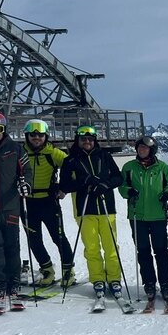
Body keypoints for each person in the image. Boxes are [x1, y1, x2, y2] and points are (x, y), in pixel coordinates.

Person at [59, 125, 124, 300]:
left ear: (94, 140)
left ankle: (114, 278)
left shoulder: (104, 156)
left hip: (106, 208)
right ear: (77, 140)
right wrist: (83, 181)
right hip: (84, 209)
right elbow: (64, 185)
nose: (87, 142)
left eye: (90, 139)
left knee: (111, 247)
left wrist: (105, 184)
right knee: (92, 248)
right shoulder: (70, 160)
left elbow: (118, 177)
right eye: (83, 139)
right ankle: (97, 279)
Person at [118, 135, 168, 310]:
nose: (142, 150)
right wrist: (129, 192)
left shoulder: (162, 167)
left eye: (145, 148)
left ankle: (165, 283)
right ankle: (149, 283)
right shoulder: (129, 167)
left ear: (152, 150)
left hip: (158, 215)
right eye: (140, 148)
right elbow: (122, 187)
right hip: (137, 216)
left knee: (161, 251)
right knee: (143, 251)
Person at [0, 111, 30, 309]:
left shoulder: (15, 148)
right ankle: (0, 282)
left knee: (12, 245)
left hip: (10, 206)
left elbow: (26, 171)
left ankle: (14, 282)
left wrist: (26, 183)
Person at [20, 118, 75, 287]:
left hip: (49, 202)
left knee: (58, 237)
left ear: (46, 136)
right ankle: (47, 270)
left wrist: (63, 187)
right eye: (33, 134)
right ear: (27, 135)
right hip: (27, 203)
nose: (37, 138)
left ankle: (68, 271)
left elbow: (73, 170)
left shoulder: (54, 153)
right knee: (34, 240)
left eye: (40, 135)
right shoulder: (20, 152)